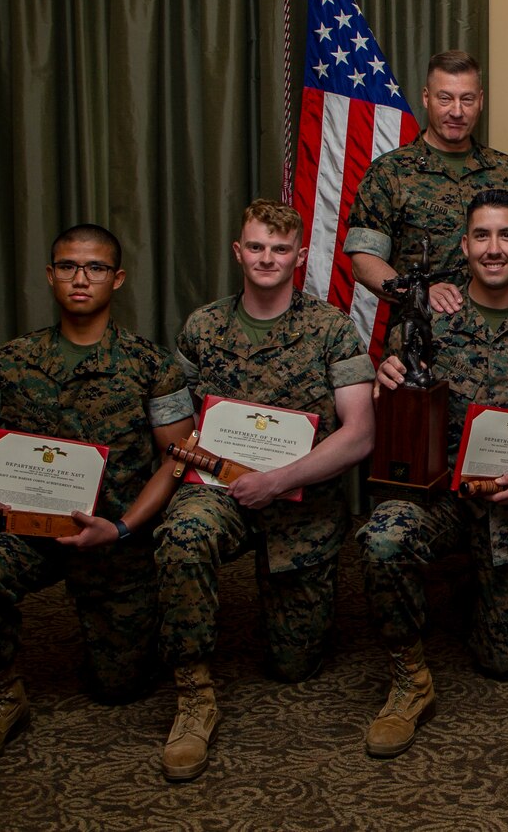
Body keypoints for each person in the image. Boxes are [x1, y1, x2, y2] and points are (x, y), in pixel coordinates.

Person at [0, 224, 196, 772]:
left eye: (96, 268)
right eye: (68, 266)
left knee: (119, 687)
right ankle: (1, 700)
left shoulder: (152, 366)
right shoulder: (10, 361)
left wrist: (124, 528)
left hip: (111, 540)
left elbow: (178, 460)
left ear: (118, 278)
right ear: (51, 275)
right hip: (25, 528)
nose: (81, 278)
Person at [356, 189, 508, 758]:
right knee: (383, 538)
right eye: (482, 237)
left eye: (506, 236)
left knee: (503, 664)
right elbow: (393, 404)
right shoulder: (425, 324)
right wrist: (387, 376)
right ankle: (409, 679)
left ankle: (484, 592)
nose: (494, 249)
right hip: (444, 495)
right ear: (464, 246)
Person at [151, 199, 375, 781]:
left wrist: (278, 479)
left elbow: (359, 435)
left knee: (293, 665)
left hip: (301, 500)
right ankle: (194, 694)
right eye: (256, 247)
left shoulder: (331, 328)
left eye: (279, 249)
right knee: (182, 534)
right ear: (238, 252)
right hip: (218, 490)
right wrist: (210, 466)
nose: (267, 258)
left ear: (300, 256)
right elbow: (175, 428)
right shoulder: (202, 327)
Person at [345, 49, 508, 314]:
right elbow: (363, 260)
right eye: (445, 99)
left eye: (467, 99)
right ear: (427, 98)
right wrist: (416, 292)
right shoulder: (389, 173)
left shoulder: (505, 172)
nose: (457, 111)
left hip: (500, 337)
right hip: (422, 336)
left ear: (481, 101)